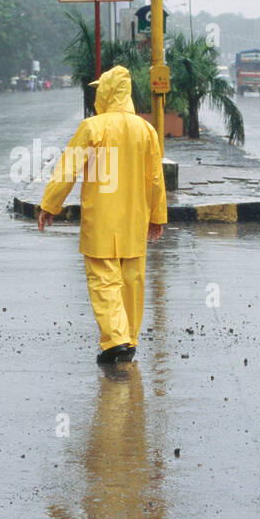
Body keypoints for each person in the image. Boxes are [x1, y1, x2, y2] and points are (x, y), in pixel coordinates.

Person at [37, 65, 168, 363]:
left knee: (103, 280)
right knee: (132, 280)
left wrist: (49, 205)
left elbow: (67, 169)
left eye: (100, 89)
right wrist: (157, 215)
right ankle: (128, 339)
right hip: (135, 219)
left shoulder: (93, 127)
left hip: (102, 219)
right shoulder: (146, 130)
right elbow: (156, 178)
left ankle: (117, 340)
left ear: (108, 92)